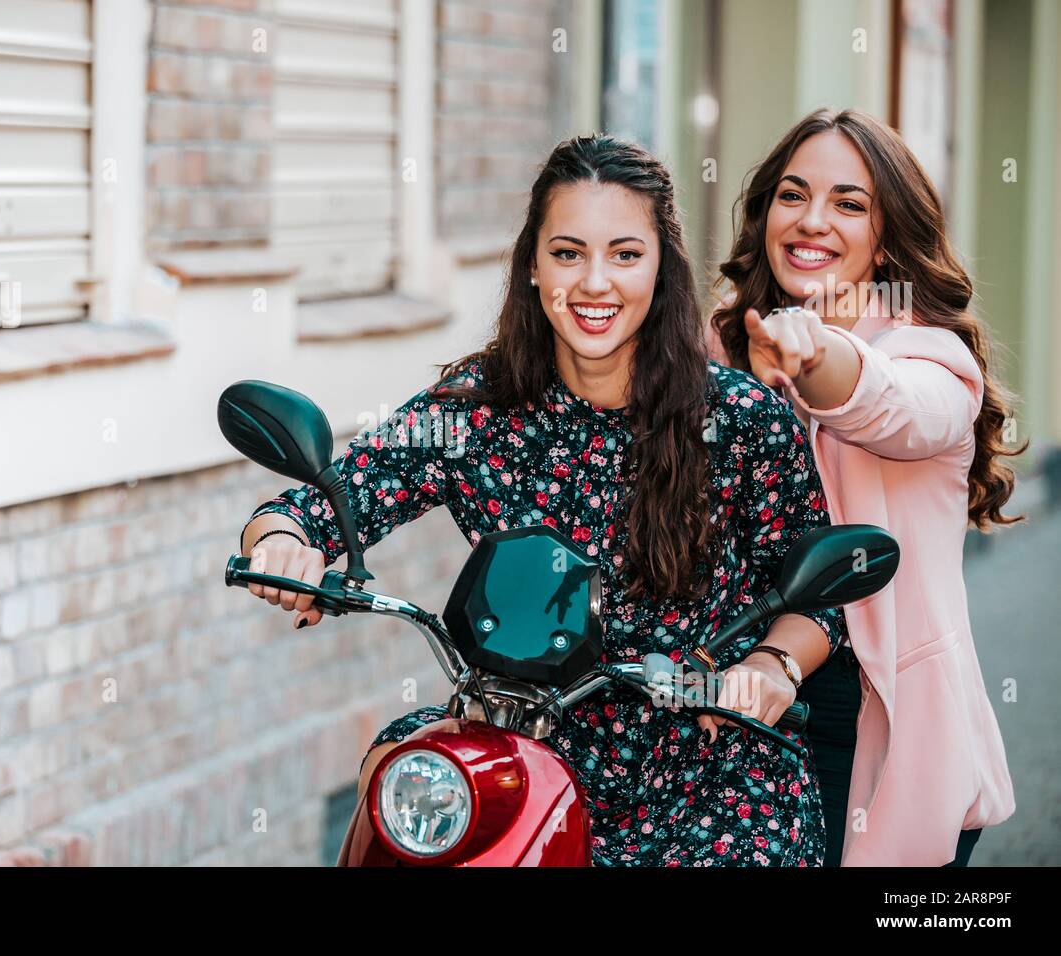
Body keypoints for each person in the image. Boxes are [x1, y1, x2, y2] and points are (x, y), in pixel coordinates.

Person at [238, 135, 847, 866]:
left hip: (707, 759)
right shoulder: (474, 409)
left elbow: (818, 600)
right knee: (395, 777)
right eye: (567, 253)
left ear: (663, 267)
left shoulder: (743, 420)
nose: (595, 283)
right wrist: (280, 544)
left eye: (624, 254)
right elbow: (324, 501)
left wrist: (770, 667)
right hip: (519, 741)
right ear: (532, 264)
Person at [707, 108, 1019, 867]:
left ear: (887, 238)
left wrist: (815, 352)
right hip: (723, 701)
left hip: (866, 723)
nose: (812, 221)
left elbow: (889, 404)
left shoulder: (933, 362)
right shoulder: (719, 351)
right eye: (792, 194)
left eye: (849, 203)